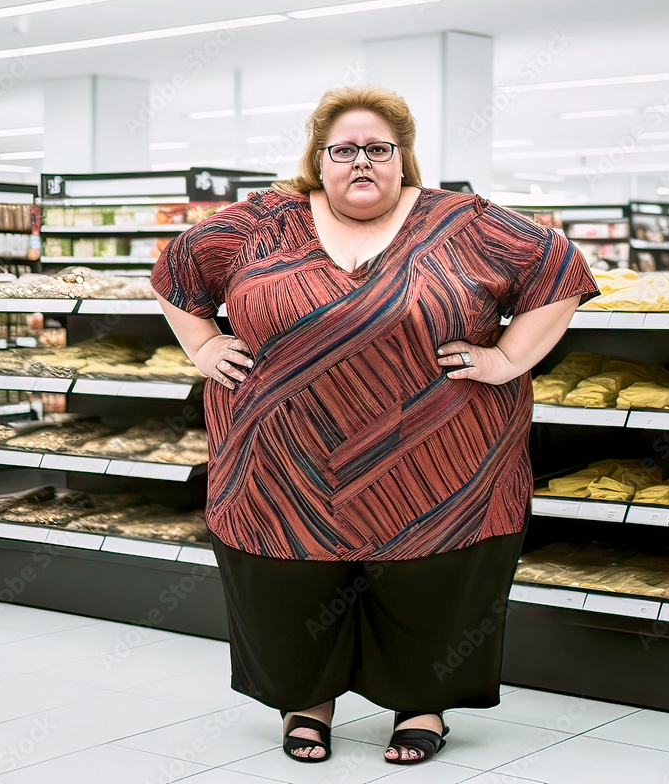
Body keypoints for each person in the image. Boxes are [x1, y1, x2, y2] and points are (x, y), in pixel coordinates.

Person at [151, 85, 596, 765]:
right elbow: (176, 269)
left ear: (403, 157)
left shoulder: (463, 221)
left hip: (441, 459)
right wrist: (205, 347)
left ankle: (422, 707)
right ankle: (306, 703)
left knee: (432, 583)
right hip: (280, 464)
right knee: (289, 584)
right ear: (319, 158)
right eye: (345, 150)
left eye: (378, 149)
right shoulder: (260, 223)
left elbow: (560, 269)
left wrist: (508, 358)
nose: (362, 162)